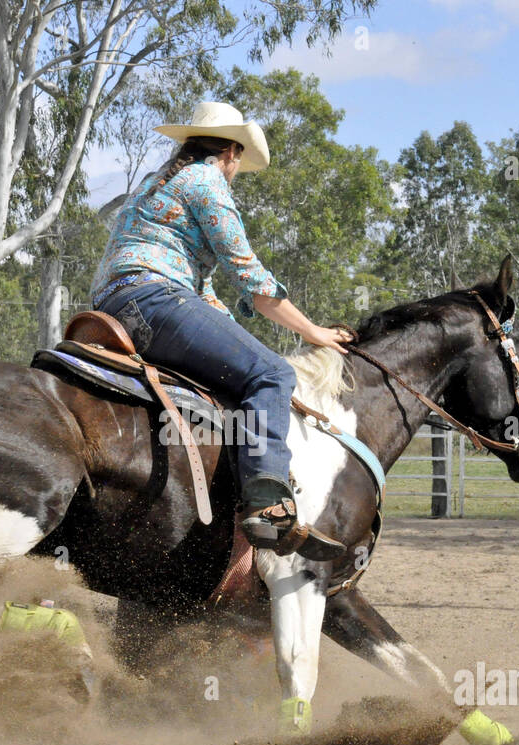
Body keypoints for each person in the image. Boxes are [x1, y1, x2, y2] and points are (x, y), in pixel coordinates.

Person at [89, 102, 352, 561]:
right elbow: (251, 278)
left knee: (247, 365)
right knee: (270, 374)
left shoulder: (160, 182)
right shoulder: (207, 181)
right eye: (238, 163)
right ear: (231, 151)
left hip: (117, 303)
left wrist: (239, 338)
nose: (236, 173)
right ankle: (268, 501)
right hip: (155, 299)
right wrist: (314, 333)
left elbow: (205, 290)